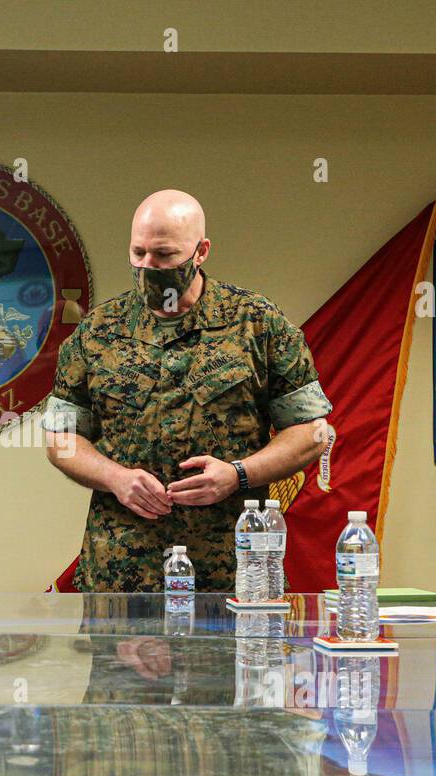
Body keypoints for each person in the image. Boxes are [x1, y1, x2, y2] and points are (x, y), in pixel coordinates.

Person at [41, 189, 331, 592]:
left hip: (232, 572)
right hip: (123, 573)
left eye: (164, 255)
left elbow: (312, 433)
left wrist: (237, 475)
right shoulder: (98, 331)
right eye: (138, 252)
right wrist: (114, 477)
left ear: (201, 251)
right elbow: (61, 438)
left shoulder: (257, 324)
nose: (147, 266)